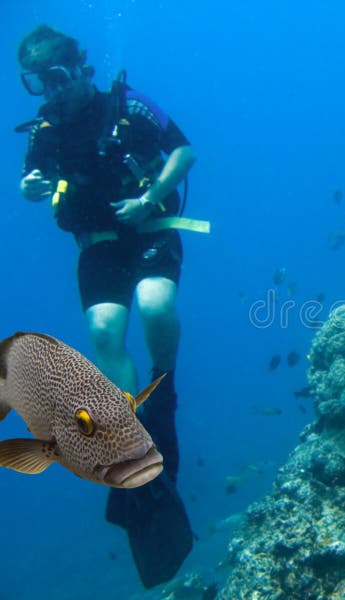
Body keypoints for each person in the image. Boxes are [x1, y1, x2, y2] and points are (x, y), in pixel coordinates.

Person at [16, 24, 195, 588]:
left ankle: (163, 391)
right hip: (97, 245)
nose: (51, 90)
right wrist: (29, 187)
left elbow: (184, 150)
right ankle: (131, 419)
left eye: (57, 77)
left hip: (151, 229)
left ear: (80, 69)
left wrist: (149, 196)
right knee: (104, 330)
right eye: (37, 82)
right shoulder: (45, 130)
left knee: (155, 305)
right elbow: (32, 179)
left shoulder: (128, 106)